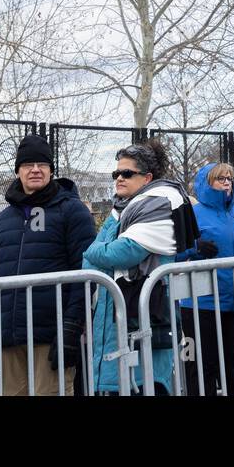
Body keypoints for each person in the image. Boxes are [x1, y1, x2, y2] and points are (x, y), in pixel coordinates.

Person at [0, 134, 96, 396]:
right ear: (18, 170)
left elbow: (86, 273)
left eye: (43, 164)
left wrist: (72, 327)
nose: (36, 170)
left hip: (51, 337)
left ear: (52, 170)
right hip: (10, 338)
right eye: (28, 164)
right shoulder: (3, 219)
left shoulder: (72, 211)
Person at [83, 138, 196, 395]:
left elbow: (118, 254)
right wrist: (96, 253)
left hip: (147, 320)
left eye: (127, 173)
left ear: (147, 178)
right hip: (116, 319)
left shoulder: (157, 205)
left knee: (146, 383)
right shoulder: (122, 210)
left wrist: (93, 251)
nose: (119, 178)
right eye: (116, 173)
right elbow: (90, 261)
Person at [176, 162, 234, 396]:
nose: (227, 182)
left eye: (229, 178)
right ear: (206, 183)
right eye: (220, 178)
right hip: (203, 304)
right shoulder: (192, 214)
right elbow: (173, 253)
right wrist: (193, 248)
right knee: (202, 370)